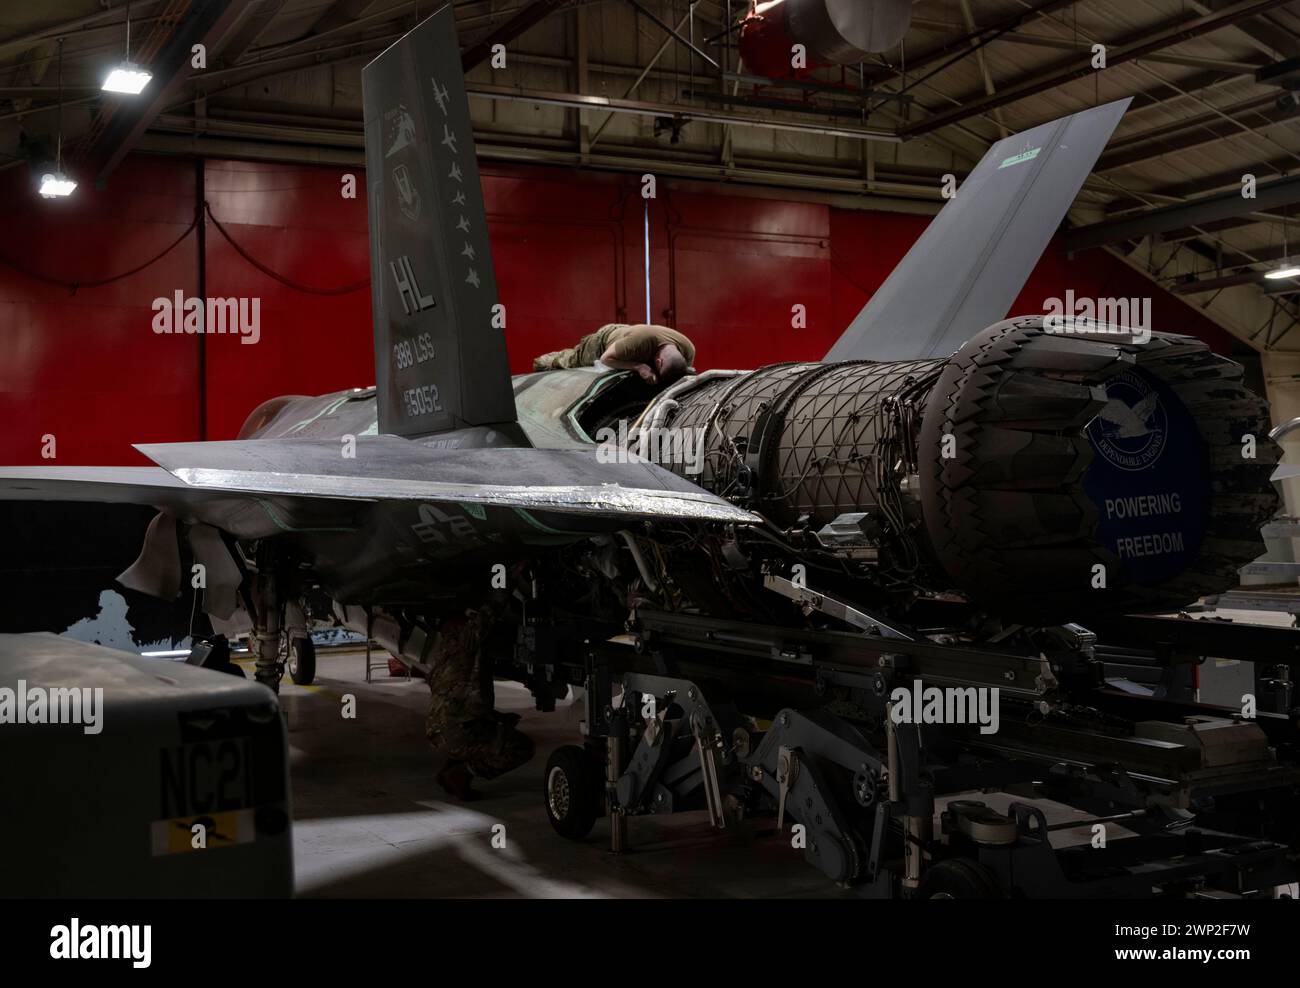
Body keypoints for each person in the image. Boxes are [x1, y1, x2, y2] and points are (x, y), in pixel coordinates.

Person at [426, 605, 534, 800]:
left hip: (439, 732)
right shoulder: (465, 643)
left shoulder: (442, 654)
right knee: (521, 747)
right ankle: (462, 773)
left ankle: (449, 770)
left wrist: (496, 719)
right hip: (458, 732)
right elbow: (488, 615)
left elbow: (461, 700)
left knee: (480, 728)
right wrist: (505, 582)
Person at [533, 322, 696, 387]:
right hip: (604, 341)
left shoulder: (688, 349)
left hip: (629, 336)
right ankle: (545, 361)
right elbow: (606, 358)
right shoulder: (638, 343)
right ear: (659, 361)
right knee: (570, 360)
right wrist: (639, 367)